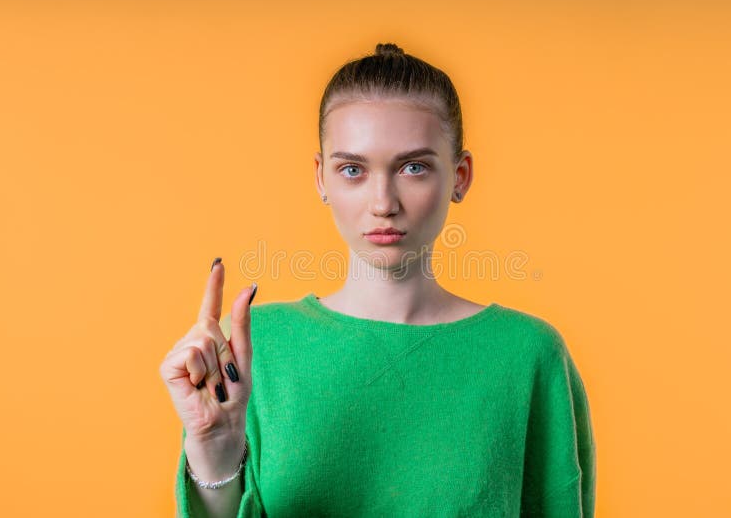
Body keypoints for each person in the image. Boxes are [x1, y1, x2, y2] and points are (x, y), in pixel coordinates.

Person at [160, 42, 596, 518]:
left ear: (461, 175)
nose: (383, 202)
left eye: (414, 167)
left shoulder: (528, 355)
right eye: (353, 169)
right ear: (321, 178)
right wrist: (214, 451)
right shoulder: (254, 349)